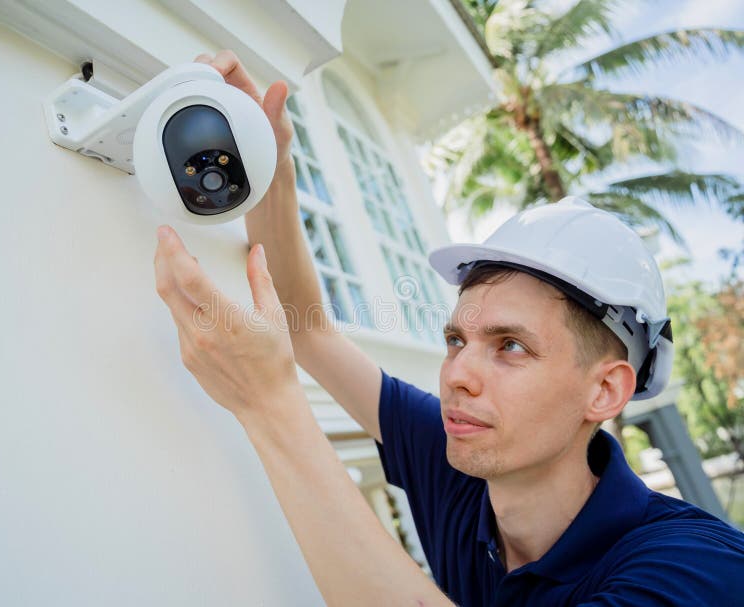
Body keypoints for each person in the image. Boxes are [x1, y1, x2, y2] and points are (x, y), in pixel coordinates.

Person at [153, 51, 744, 606]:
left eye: (510, 346)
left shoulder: (697, 571)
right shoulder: (458, 463)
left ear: (605, 391)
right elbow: (309, 333)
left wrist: (269, 405)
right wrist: (271, 167)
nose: (458, 375)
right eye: (456, 340)